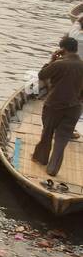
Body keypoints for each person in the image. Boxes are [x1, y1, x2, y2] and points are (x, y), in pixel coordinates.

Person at [32, 36, 83, 178]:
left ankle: (41, 159)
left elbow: (42, 75)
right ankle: (52, 169)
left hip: (54, 105)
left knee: (47, 132)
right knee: (62, 138)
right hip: (74, 107)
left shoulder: (59, 64)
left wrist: (52, 59)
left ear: (63, 49)